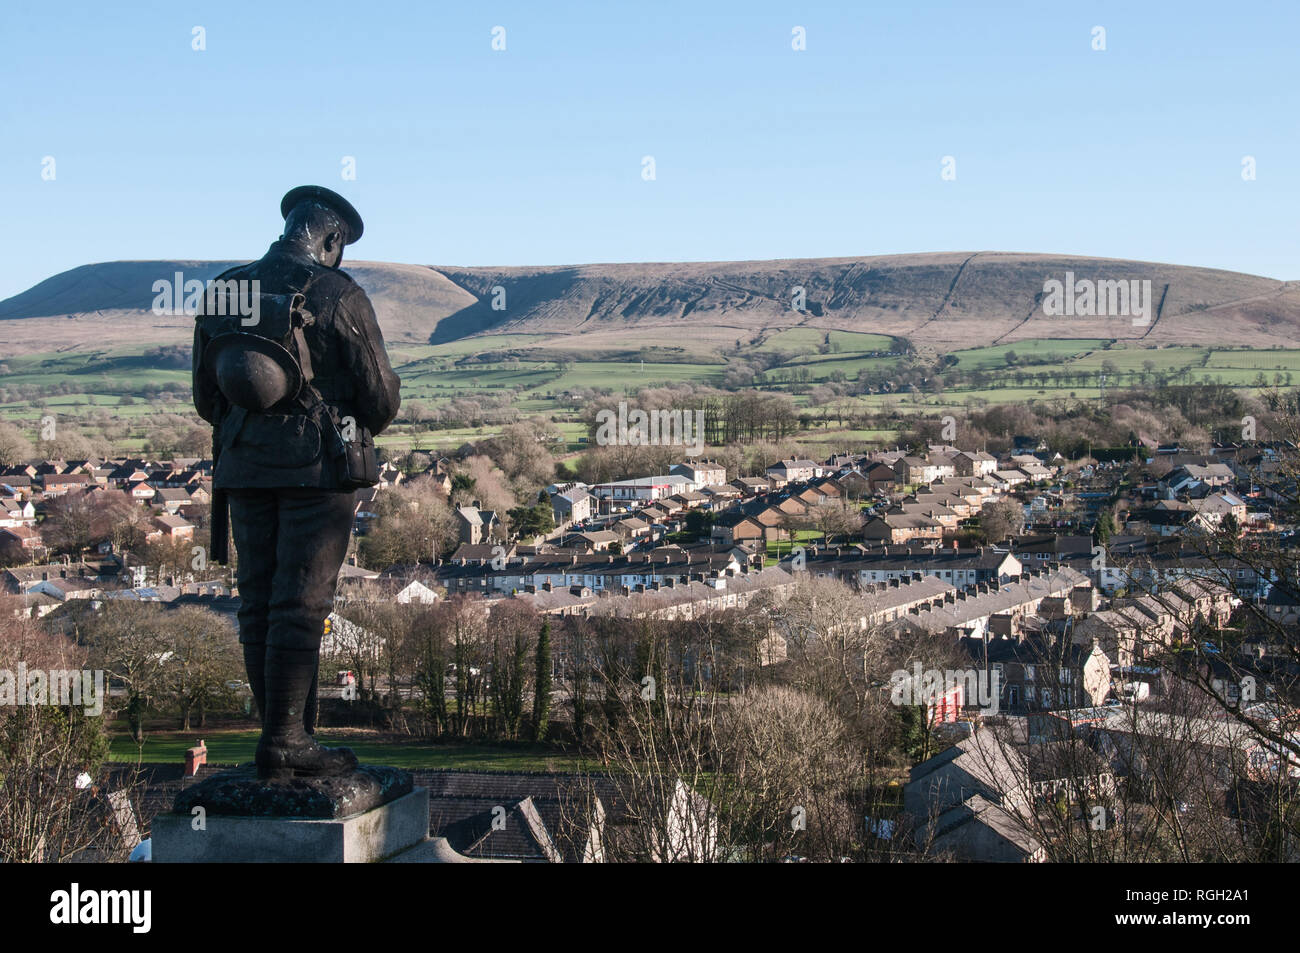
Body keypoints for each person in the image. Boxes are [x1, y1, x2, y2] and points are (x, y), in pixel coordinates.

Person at [192, 185, 401, 779]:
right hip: (318, 470)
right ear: (332, 241)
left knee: (257, 601)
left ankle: (279, 741)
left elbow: (207, 397)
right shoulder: (340, 295)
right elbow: (380, 399)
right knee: (302, 604)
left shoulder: (225, 288)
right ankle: (286, 742)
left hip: (243, 465)